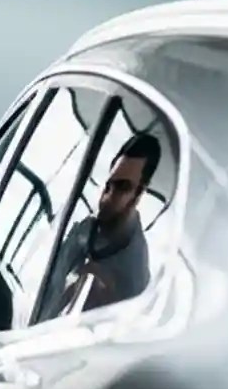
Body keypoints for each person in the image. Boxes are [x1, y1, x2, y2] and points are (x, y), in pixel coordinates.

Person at [41, 132, 160, 320]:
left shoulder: (136, 272)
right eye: (108, 186)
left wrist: (107, 292)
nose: (106, 199)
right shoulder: (84, 229)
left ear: (139, 194)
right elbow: (47, 293)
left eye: (122, 188)